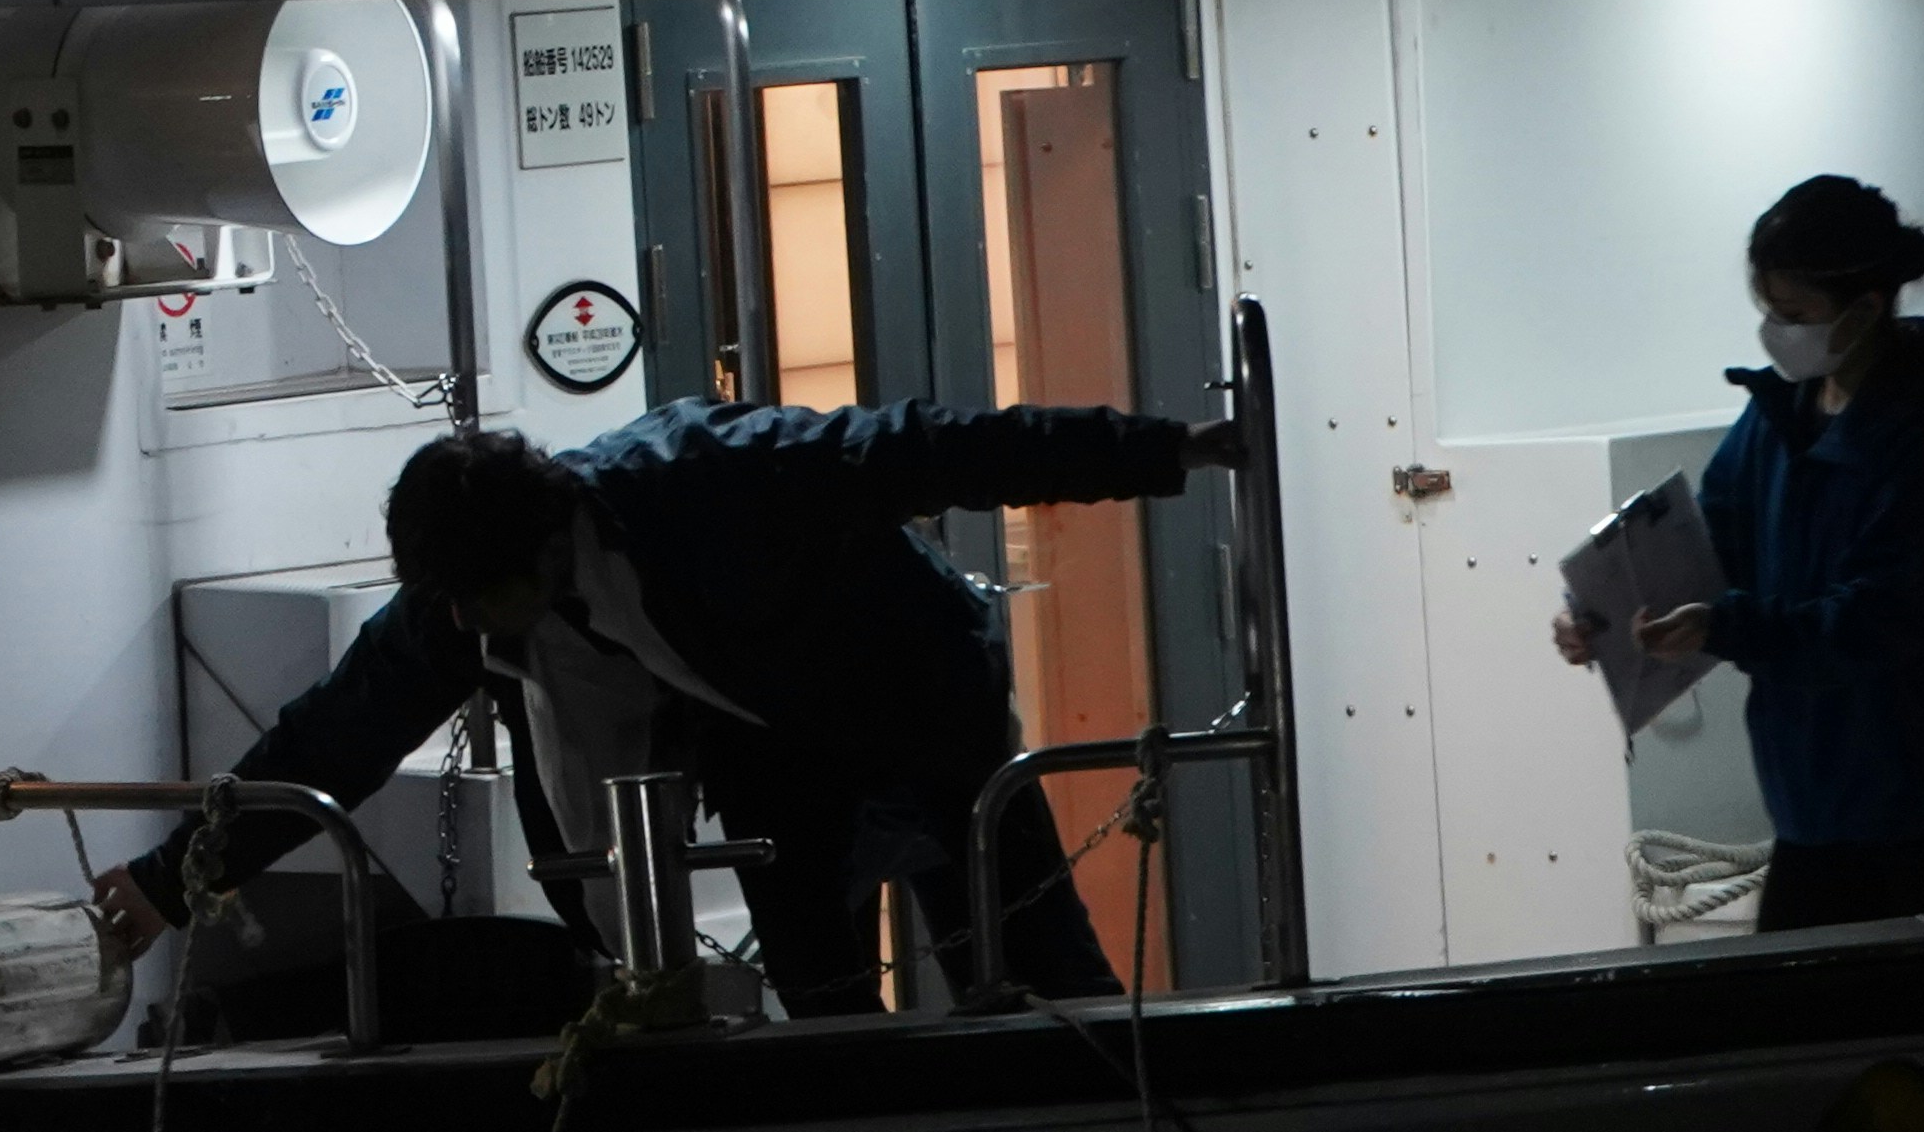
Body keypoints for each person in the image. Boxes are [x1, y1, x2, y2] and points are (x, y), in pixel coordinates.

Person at [104, 397, 1245, 1014]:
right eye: (442, 605)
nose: (459, 629)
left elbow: (934, 447)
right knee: (825, 1006)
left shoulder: (711, 478)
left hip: (910, 694)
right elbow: (336, 732)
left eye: (474, 601)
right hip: (771, 748)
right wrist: (173, 882)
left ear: (546, 544)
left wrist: (1172, 448)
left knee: (1029, 965)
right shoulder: (477, 595)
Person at [1549, 174, 1924, 930]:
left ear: (1866, 308)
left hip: (1915, 808)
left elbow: (1878, 617)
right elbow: (1702, 547)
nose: (1776, 331)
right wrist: (1604, 614)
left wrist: (1728, 628)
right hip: (1810, 803)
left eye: (1795, 314)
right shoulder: (1781, 416)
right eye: (1769, 311)